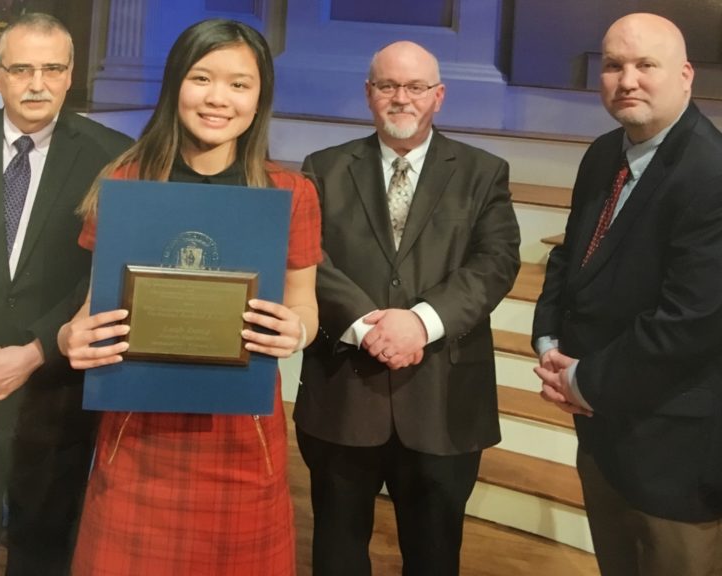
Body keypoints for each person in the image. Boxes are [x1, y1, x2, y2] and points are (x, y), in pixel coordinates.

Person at [57, 19, 321, 575]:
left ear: (260, 98)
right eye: (202, 78)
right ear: (175, 83)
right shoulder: (126, 181)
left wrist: (296, 330)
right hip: (138, 432)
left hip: (242, 437)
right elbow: (94, 304)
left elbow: (305, 305)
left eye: (239, 84)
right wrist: (69, 336)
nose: (218, 98)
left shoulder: (289, 193)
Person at [294, 41, 521, 576]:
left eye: (416, 87)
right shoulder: (322, 168)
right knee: (337, 553)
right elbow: (307, 258)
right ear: (368, 93)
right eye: (388, 86)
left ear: (438, 96)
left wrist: (420, 322)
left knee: (434, 557)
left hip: (442, 399)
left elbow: (496, 261)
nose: (402, 98)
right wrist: (365, 325)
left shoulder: (483, 172)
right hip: (344, 394)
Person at [533, 12, 722, 576]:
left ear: (685, 75)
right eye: (614, 65)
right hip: (602, 430)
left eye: (646, 65)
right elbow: (571, 256)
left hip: (673, 449)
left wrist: (582, 381)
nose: (627, 80)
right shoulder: (603, 154)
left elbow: (688, 321)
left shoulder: (711, 172)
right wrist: (548, 340)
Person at [0, 12, 132, 576]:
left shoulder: (115, 158)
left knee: (44, 546)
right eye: (22, 69)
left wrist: (34, 351)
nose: (37, 84)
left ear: (70, 74)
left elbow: (107, 273)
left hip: (56, 386)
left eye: (52, 69)